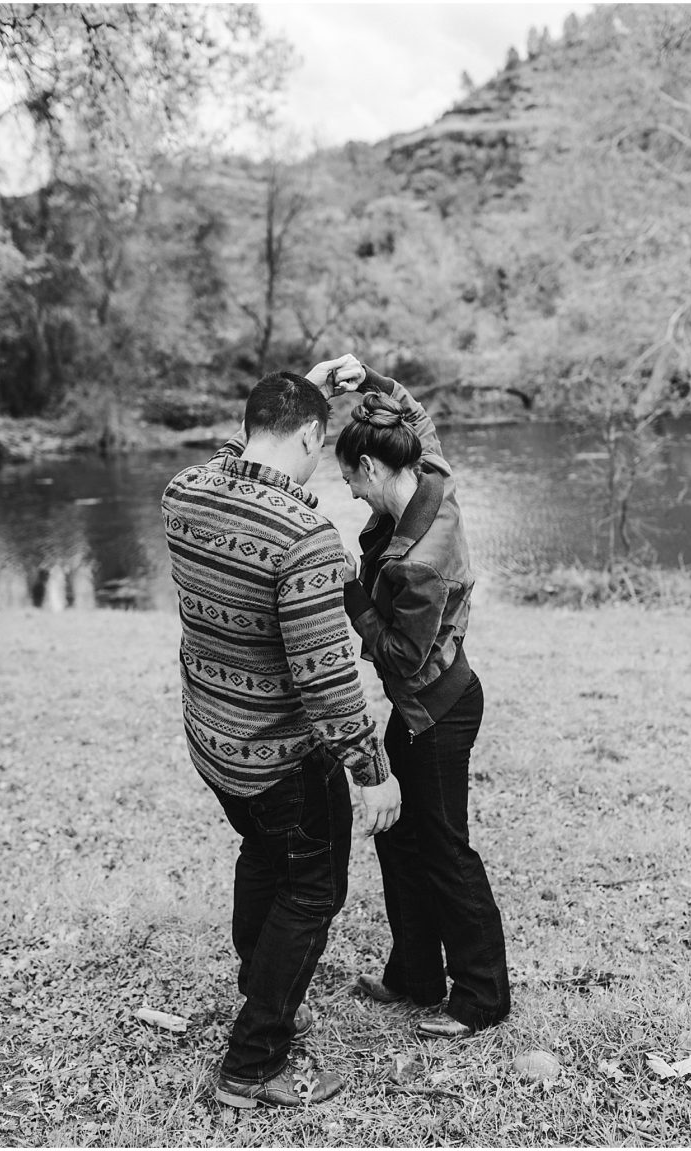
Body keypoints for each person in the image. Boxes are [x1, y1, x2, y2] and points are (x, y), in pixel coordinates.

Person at [161, 363, 401, 1109]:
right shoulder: (305, 540)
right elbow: (327, 680)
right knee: (313, 885)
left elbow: (242, 450)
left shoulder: (183, 494)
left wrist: (301, 389)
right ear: (308, 435)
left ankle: (256, 976)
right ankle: (254, 1059)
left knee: (263, 852)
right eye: (317, 442)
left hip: (211, 742)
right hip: (278, 760)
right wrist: (373, 771)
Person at [323, 353, 511, 1041]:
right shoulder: (433, 478)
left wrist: (350, 590)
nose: (350, 494)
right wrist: (366, 376)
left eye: (350, 480)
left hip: (439, 707)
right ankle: (415, 974)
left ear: (372, 469)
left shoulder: (418, 560)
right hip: (419, 707)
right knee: (399, 838)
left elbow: (401, 653)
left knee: (444, 848)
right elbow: (419, 417)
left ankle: (483, 995)